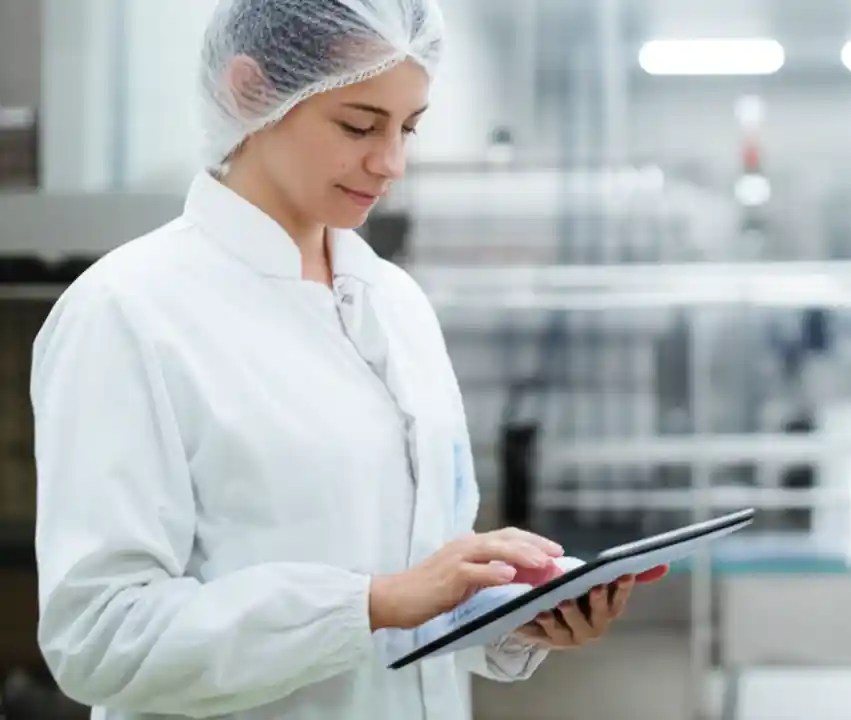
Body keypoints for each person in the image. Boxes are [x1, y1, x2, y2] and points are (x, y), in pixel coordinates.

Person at [29, 2, 665, 719]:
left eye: (408, 127)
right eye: (359, 125)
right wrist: (374, 603)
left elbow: (416, 578)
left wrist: (506, 609)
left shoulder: (393, 303)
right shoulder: (128, 311)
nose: (390, 161)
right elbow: (100, 639)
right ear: (248, 90)